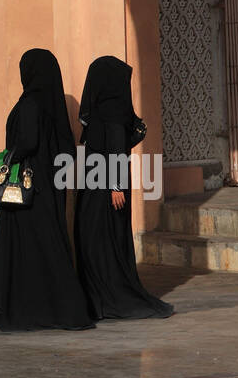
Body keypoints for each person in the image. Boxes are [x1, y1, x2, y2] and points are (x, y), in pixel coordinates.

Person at [0, 49, 95, 331]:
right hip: (46, 188)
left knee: (34, 247)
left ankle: (41, 310)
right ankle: (58, 309)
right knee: (47, 246)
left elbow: (28, 142)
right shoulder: (51, 105)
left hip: (27, 191)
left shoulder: (31, 103)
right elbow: (64, 149)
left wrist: (9, 157)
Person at [73, 55, 174, 320]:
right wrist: (116, 185)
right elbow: (115, 148)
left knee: (95, 240)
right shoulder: (114, 110)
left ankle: (99, 298)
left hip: (96, 188)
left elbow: (111, 147)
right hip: (108, 188)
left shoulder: (100, 112)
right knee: (108, 240)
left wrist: (115, 184)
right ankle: (111, 297)